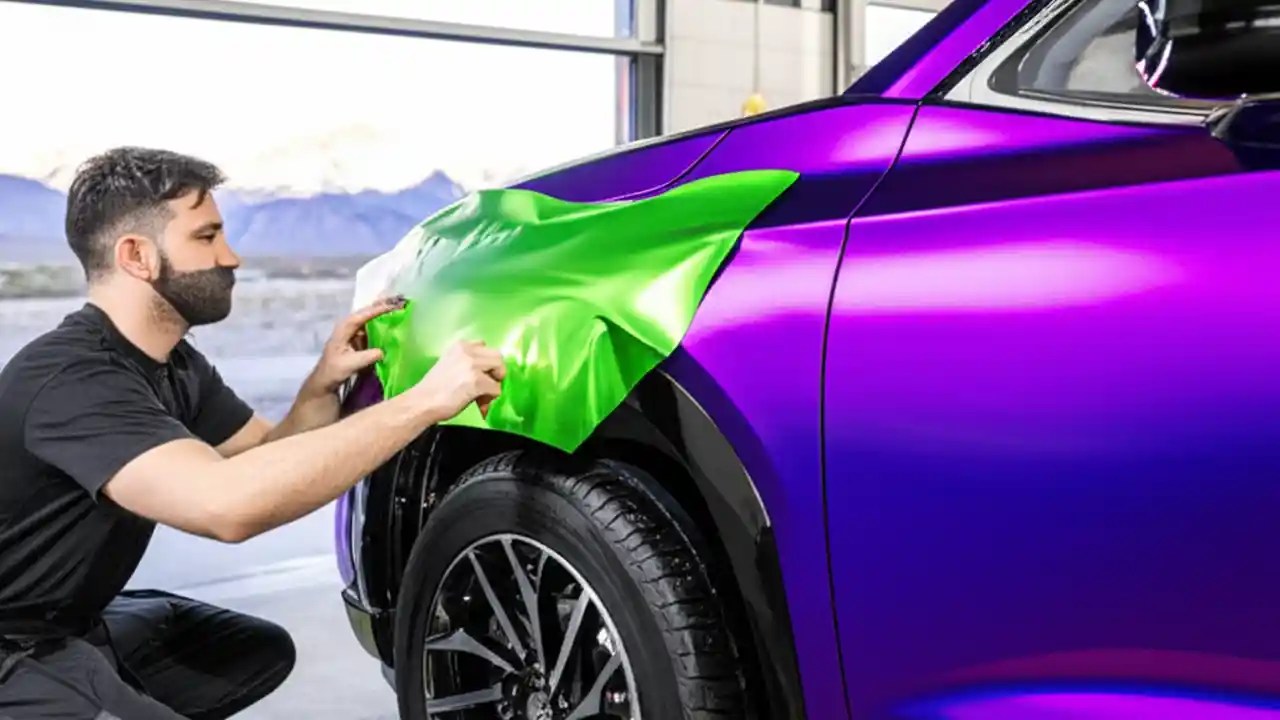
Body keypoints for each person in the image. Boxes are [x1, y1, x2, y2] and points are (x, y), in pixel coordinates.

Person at [0, 147, 506, 719]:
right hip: (11, 646)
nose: (232, 257)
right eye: (207, 237)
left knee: (254, 652)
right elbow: (228, 506)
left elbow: (268, 455)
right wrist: (426, 402)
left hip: (71, 620)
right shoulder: (74, 378)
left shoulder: (171, 363)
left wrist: (321, 387)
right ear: (137, 256)